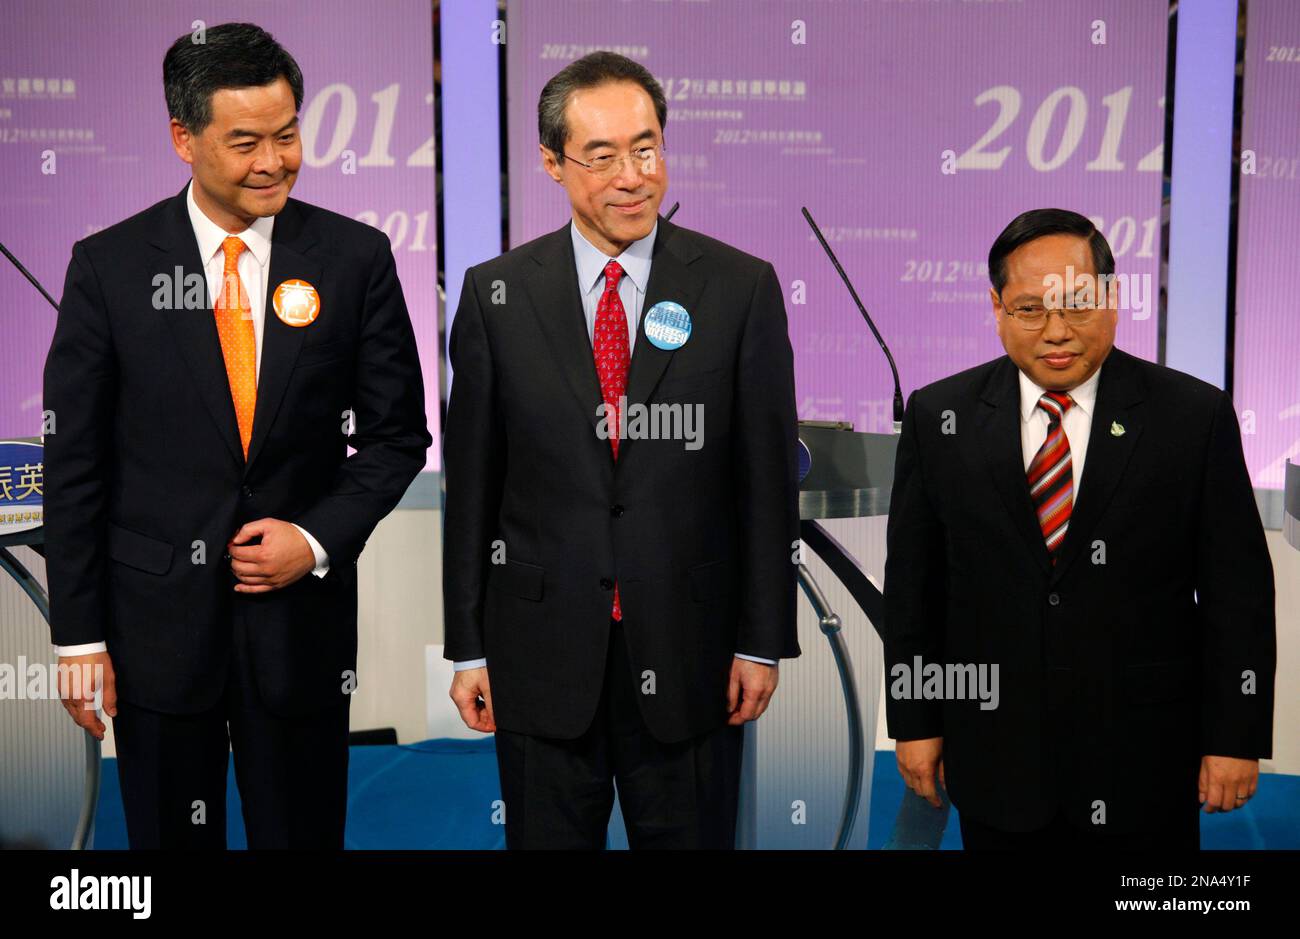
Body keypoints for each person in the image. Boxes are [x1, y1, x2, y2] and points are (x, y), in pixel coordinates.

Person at [43, 22, 431, 848]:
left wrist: (314, 537)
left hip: (300, 629)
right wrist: (79, 634)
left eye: (288, 135)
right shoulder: (107, 267)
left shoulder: (353, 258)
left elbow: (399, 438)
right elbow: (75, 464)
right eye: (245, 141)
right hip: (156, 633)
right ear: (183, 138)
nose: (273, 161)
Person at [442, 51, 800, 849]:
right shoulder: (496, 295)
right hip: (539, 653)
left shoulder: (739, 288)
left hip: (693, 650)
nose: (633, 175)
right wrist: (467, 645)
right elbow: (473, 489)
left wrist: (760, 637)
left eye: (647, 148)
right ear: (552, 163)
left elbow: (766, 483)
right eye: (601, 156)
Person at [883, 208, 1276, 850]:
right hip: (998, 759)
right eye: (1031, 309)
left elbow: (1238, 595)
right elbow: (913, 594)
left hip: (1144, 758)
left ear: (1113, 297)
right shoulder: (939, 416)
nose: (1057, 332)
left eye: (1078, 306)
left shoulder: (1192, 416)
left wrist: (1234, 736)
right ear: (997, 306)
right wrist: (916, 720)